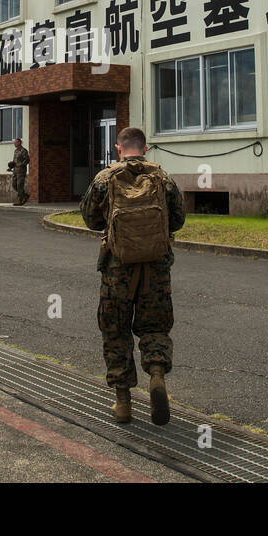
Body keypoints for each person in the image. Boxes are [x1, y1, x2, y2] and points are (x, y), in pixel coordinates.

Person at [79, 127, 185, 426]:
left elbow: (89, 218)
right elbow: (178, 219)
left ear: (118, 148)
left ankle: (123, 403)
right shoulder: (162, 178)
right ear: (146, 148)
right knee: (155, 326)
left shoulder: (105, 178)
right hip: (156, 267)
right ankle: (156, 375)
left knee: (116, 331)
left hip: (117, 268)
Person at [8, 137, 30, 205]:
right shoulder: (16, 151)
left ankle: (20, 200)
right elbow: (14, 162)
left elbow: (27, 160)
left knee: (20, 185)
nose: (14, 144)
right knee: (14, 185)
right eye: (14, 142)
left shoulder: (24, 151)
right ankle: (24, 195)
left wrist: (20, 165)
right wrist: (10, 167)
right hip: (15, 171)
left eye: (15, 142)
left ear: (19, 142)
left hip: (21, 171)